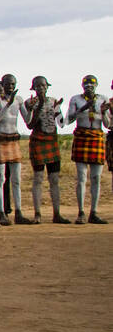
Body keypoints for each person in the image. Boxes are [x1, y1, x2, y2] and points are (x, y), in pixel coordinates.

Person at [22, 75, 66, 223]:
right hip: (38, 141)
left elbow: (61, 123)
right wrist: (36, 107)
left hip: (52, 140)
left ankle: (57, 214)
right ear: (33, 88)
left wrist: (58, 109)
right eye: (38, 86)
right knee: (38, 178)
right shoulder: (30, 103)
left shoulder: (53, 101)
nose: (41, 88)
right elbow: (29, 125)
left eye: (43, 85)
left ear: (47, 86)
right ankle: (38, 214)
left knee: (54, 179)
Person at [67, 74, 106, 224]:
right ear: (82, 86)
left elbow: (107, 124)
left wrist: (103, 111)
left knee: (96, 178)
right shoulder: (76, 99)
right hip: (81, 136)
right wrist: (83, 108)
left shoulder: (102, 99)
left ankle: (94, 212)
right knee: (82, 177)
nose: (89, 87)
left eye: (92, 85)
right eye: (86, 85)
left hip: (96, 136)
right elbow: (69, 119)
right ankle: (81, 212)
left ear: (96, 86)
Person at [0, 74, 28, 224]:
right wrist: (7, 104)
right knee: (0, 179)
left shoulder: (19, 100)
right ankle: (1, 212)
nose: (10, 86)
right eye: (8, 84)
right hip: (0, 138)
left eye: (13, 84)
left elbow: (28, 120)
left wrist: (31, 108)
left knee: (16, 180)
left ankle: (18, 212)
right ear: (3, 84)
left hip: (14, 138)